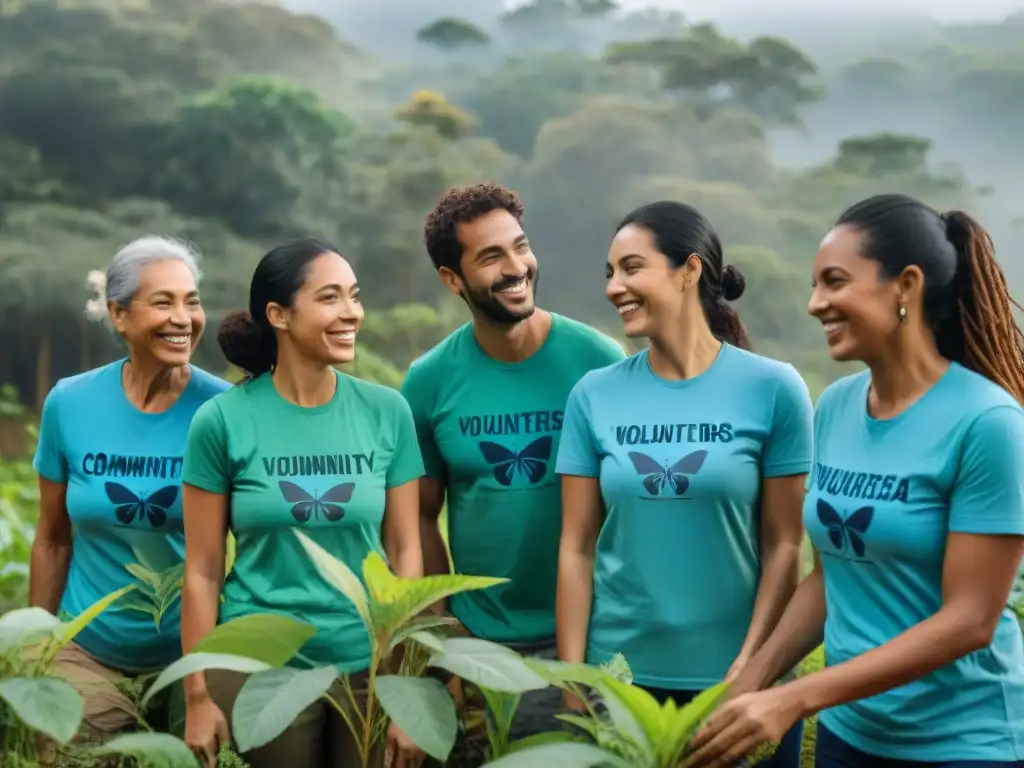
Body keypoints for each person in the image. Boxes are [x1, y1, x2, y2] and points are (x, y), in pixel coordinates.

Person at [686, 194, 1024, 768]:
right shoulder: (838, 406)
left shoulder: (987, 423)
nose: (815, 304)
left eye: (835, 282)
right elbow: (829, 576)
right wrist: (751, 680)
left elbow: (970, 620)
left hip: (965, 742)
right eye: (815, 285)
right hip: (850, 734)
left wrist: (797, 697)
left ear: (906, 286)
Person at [555, 201, 812, 768]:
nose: (614, 287)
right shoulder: (593, 395)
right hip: (621, 681)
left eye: (632, 268)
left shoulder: (774, 388)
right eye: (610, 273)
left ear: (689, 270)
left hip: (740, 682)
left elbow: (785, 543)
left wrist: (752, 665)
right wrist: (573, 680)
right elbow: (576, 546)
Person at [179, 239, 425, 768]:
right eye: (330, 297)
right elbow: (201, 569)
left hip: (367, 664)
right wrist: (196, 695)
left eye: (354, 296)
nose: (351, 312)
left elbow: (406, 551)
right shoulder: (222, 421)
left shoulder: (387, 412)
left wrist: (406, 687)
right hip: (258, 666)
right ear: (279, 315)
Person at [400, 183, 625, 744]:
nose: (516, 267)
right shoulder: (429, 381)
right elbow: (420, 516)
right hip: (483, 645)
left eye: (520, 247)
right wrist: (447, 635)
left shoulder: (598, 362)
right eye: (491, 257)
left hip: (592, 637)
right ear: (452, 279)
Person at [30, 236, 229, 750]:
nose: (182, 318)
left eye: (192, 301)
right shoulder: (69, 403)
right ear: (119, 315)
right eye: (163, 302)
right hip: (86, 648)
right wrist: (37, 648)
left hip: (192, 653)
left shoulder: (223, 410)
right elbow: (52, 538)